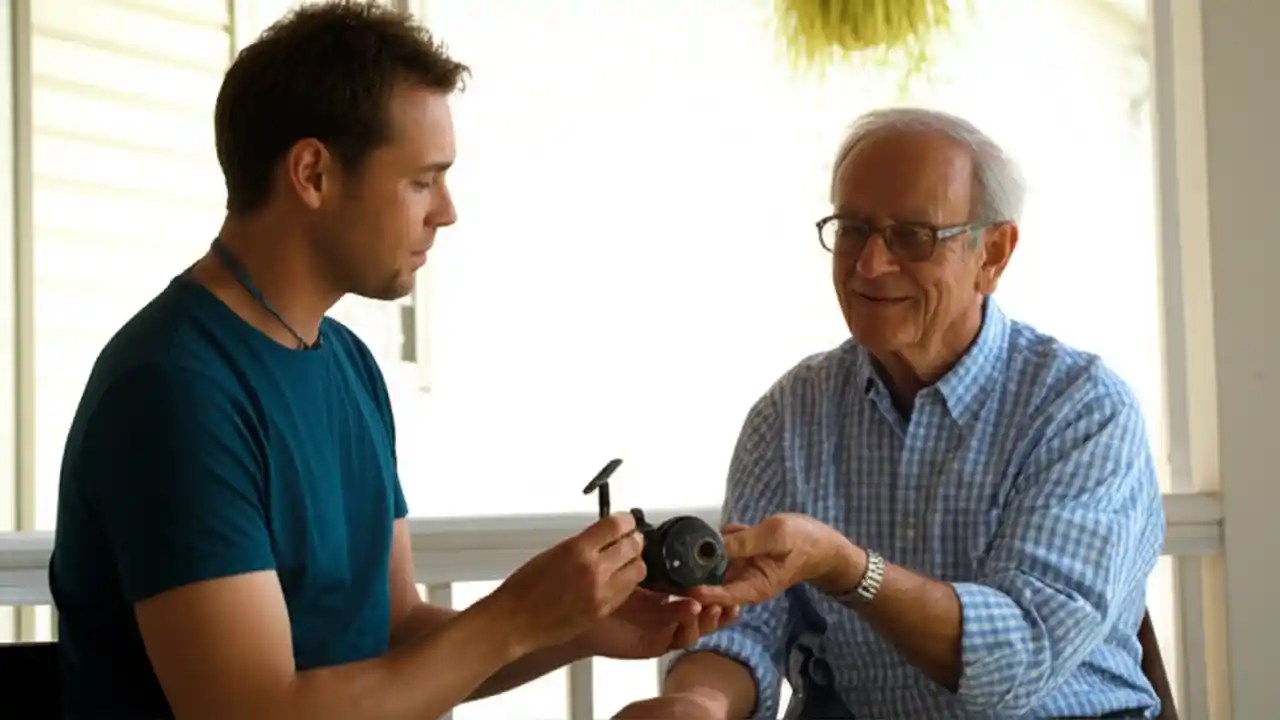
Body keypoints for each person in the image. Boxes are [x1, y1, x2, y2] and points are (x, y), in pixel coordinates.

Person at [45, 3, 734, 718]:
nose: (447, 210)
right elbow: (250, 710)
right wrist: (517, 616)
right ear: (313, 173)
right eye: (421, 180)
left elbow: (396, 634)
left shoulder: (344, 364)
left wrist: (578, 628)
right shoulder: (175, 393)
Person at [615, 108, 1166, 719]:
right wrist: (698, 704)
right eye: (853, 229)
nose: (870, 265)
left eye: (912, 236)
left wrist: (849, 569)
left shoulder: (1081, 410)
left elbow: (1020, 657)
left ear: (994, 253)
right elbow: (741, 623)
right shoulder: (792, 412)